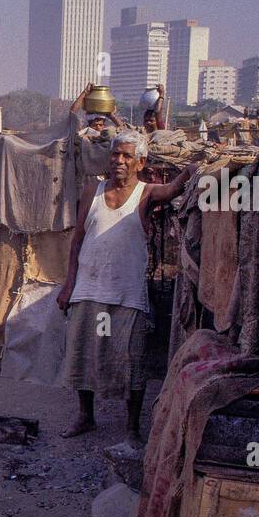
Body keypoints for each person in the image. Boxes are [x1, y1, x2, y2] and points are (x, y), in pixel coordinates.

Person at [55, 130, 196, 441]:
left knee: (130, 360)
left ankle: (131, 427)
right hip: (87, 289)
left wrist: (191, 171)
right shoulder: (92, 190)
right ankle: (85, 417)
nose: (119, 160)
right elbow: (77, 242)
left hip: (126, 294)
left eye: (127, 156)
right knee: (83, 356)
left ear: (140, 162)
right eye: (116, 154)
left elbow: (173, 190)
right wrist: (68, 285)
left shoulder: (146, 194)